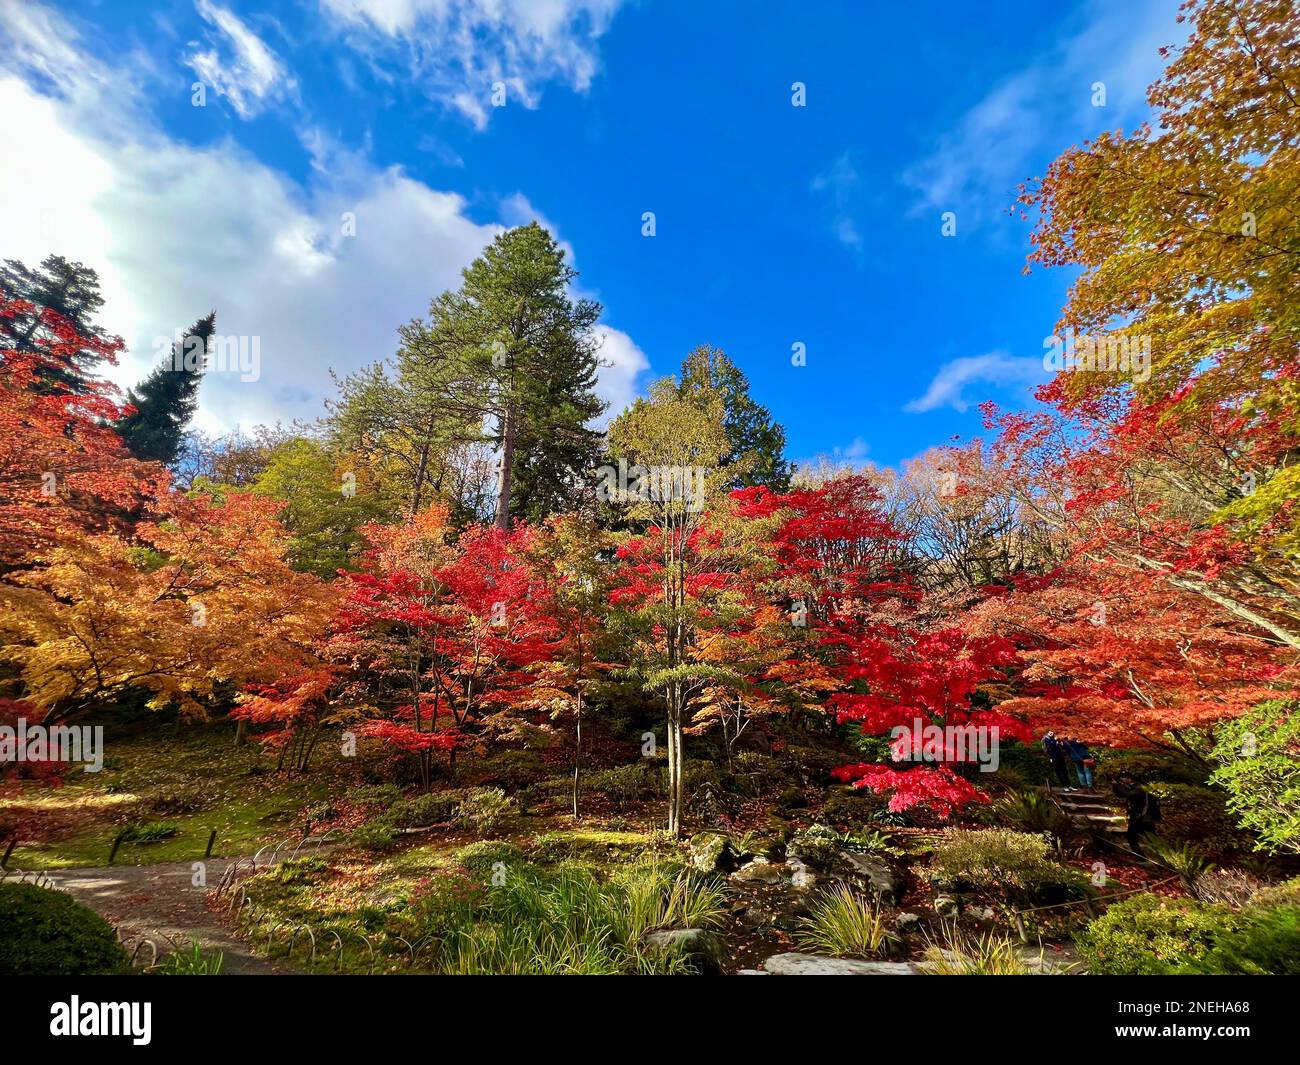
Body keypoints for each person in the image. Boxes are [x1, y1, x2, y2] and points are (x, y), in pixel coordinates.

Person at [1113, 773, 1161, 855]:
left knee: (1146, 834)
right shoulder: (1130, 787)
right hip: (1136, 815)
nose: (1122, 780)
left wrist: (1118, 786)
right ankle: (1141, 854)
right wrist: (1114, 785)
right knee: (1134, 835)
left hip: (1144, 815)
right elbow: (1119, 794)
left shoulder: (1139, 788)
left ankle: (1156, 854)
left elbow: (1128, 794)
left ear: (1130, 778)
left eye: (1123, 778)